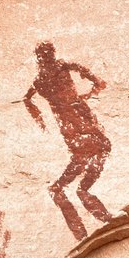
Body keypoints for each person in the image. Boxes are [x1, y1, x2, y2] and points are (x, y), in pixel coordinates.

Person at [24, 41, 114, 240]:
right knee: (94, 150)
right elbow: (98, 82)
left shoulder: (40, 80)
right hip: (76, 116)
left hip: (70, 119)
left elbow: (27, 99)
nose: (46, 57)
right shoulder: (62, 67)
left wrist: (40, 119)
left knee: (91, 152)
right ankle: (80, 195)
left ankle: (78, 196)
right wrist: (90, 93)